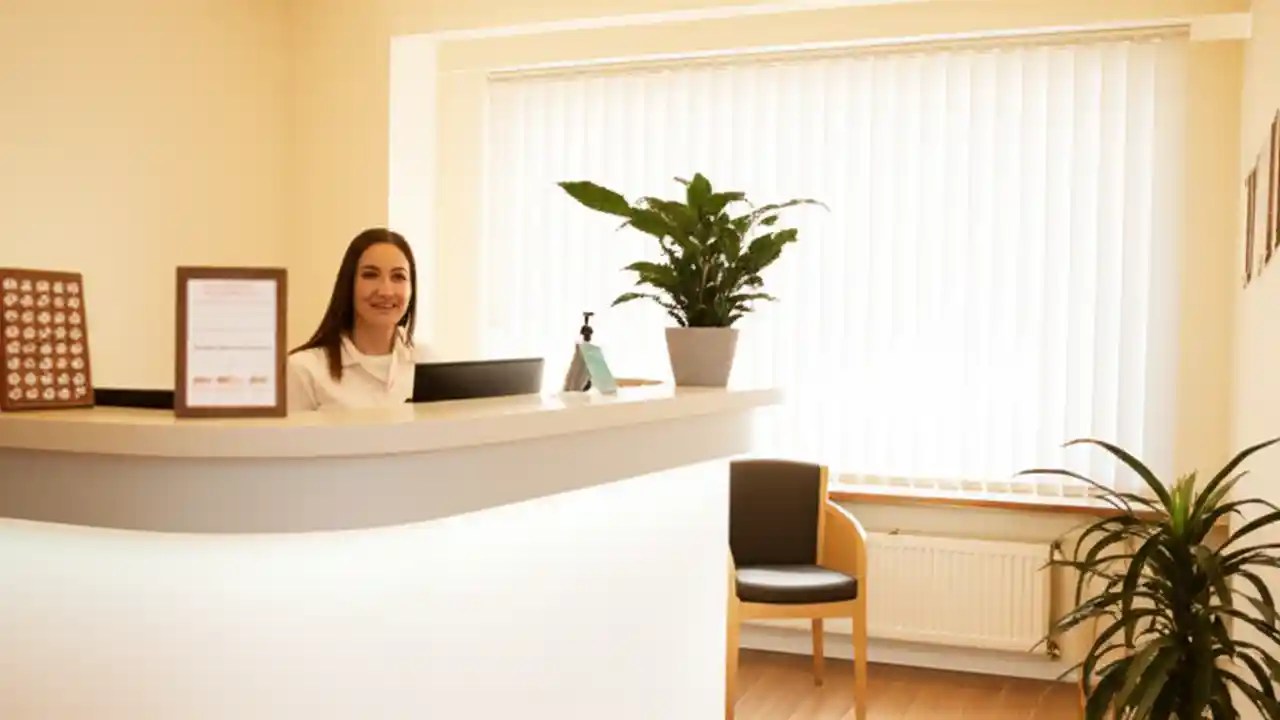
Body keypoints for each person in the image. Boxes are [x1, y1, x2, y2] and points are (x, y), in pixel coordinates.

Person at [287, 227, 429, 412]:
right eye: (370, 275)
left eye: (398, 276)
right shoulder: (304, 370)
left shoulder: (429, 362)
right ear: (348, 284)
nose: (386, 291)